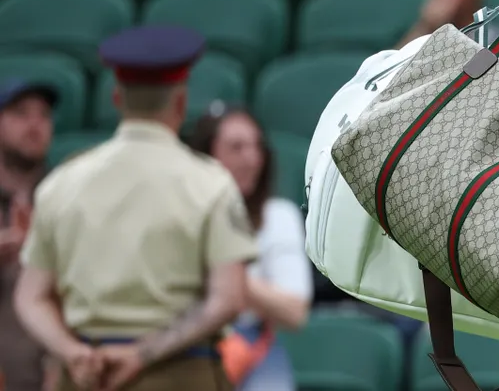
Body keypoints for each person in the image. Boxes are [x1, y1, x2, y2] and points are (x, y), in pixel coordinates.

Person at [14, 26, 259, 391]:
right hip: (178, 374)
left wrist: (72, 352)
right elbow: (228, 300)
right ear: (180, 101)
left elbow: (30, 297)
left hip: (86, 375)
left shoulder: (60, 183)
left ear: (116, 98)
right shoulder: (211, 183)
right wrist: (142, 355)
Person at [189, 105, 312, 391]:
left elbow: (295, 311)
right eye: (236, 147)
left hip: (250, 340)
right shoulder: (181, 213)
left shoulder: (278, 215)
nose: (252, 158)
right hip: (188, 336)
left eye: (257, 146)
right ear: (207, 154)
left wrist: (225, 270)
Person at [0, 80, 57, 391]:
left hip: (51, 372)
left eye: (44, 116)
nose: (35, 125)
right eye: (21, 114)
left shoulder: (67, 198)